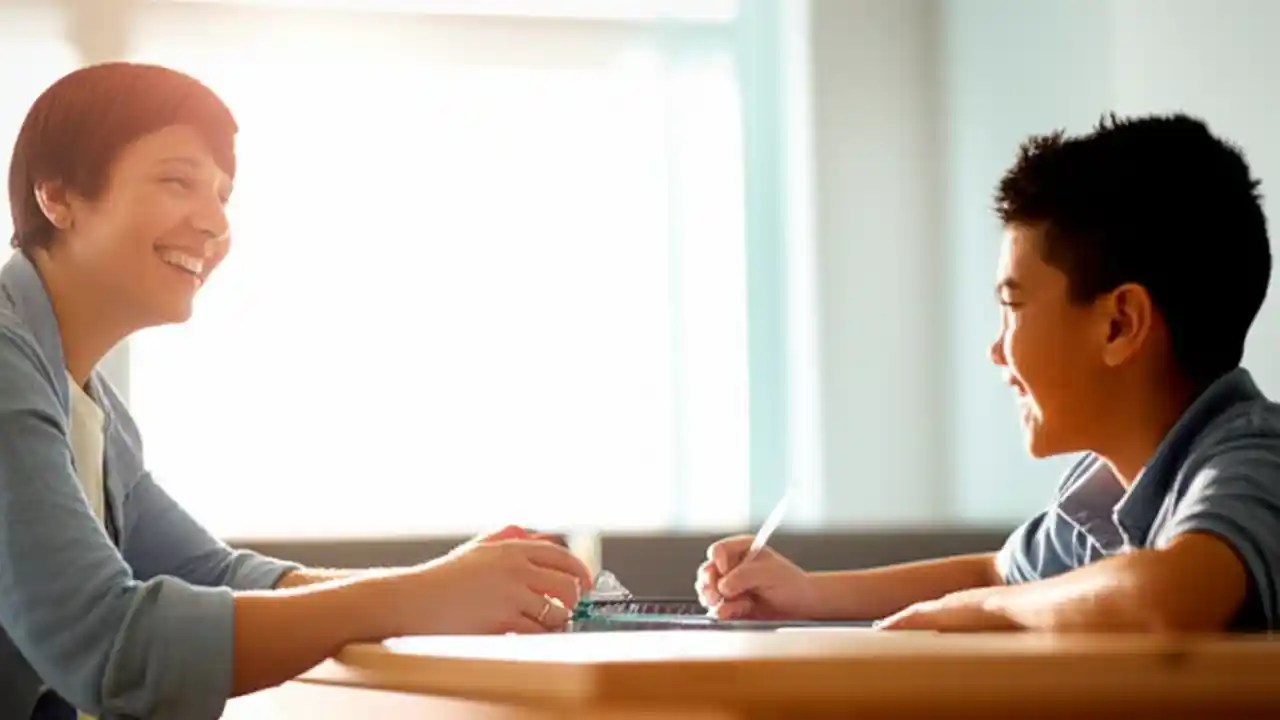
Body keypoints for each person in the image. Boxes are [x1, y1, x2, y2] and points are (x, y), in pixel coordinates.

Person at [0, 62, 592, 720]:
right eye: (178, 181)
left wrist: (449, 582)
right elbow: (110, 646)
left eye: (222, 195)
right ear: (57, 196)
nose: (213, 223)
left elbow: (217, 575)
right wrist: (423, 595)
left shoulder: (92, 408)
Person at [698, 113, 1280, 633]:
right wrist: (806, 594)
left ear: (1119, 325)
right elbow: (998, 571)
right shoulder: (1105, 490)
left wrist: (986, 611)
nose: (997, 351)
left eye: (1013, 307)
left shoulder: (1253, 457)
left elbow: (1168, 596)